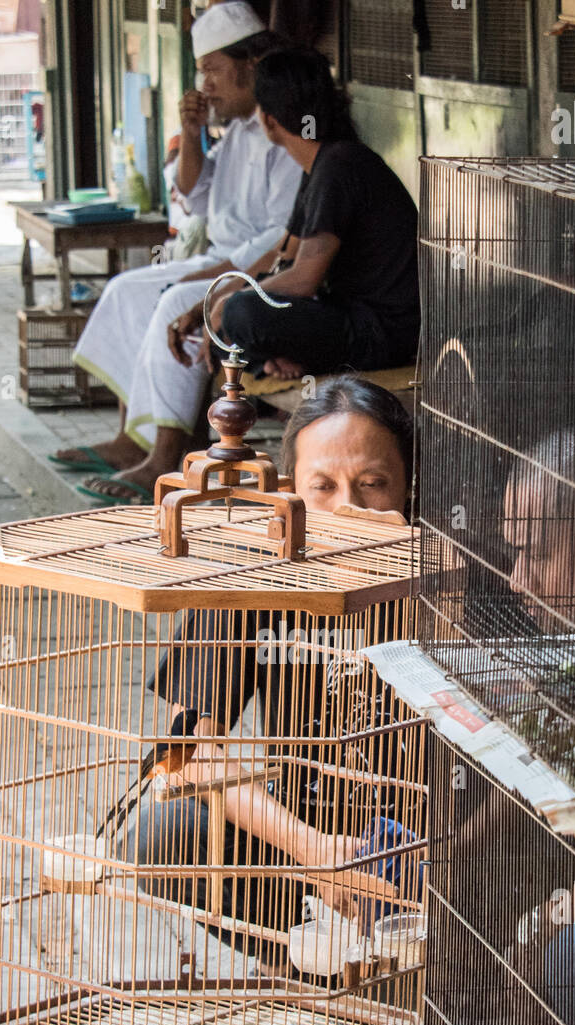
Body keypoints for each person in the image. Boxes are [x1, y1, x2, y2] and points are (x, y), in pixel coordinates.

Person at [126, 379, 417, 959]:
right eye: (323, 486)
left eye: (373, 484)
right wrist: (314, 848)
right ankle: (319, 962)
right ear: (289, 492)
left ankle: (433, 966)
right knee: (165, 834)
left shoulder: (444, 579)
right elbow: (184, 757)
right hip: (312, 830)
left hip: (434, 835)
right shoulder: (256, 576)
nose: (350, 508)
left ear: (410, 485)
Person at [56, 2, 301, 495]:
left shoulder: (281, 129)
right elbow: (195, 197)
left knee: (175, 300)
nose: (204, 84)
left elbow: (282, 236)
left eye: (213, 69)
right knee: (127, 290)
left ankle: (165, 454)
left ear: (248, 65)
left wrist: (217, 277)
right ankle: (133, 435)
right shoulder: (233, 129)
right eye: (201, 72)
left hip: (255, 268)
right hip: (219, 255)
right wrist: (192, 136)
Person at [192, 48, 421, 384]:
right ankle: (272, 359)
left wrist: (233, 302)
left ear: (268, 119)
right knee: (230, 318)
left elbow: (303, 279)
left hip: (382, 334)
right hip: (351, 318)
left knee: (240, 313)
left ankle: (267, 357)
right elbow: (283, 254)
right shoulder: (319, 164)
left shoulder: (338, 166)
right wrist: (216, 301)